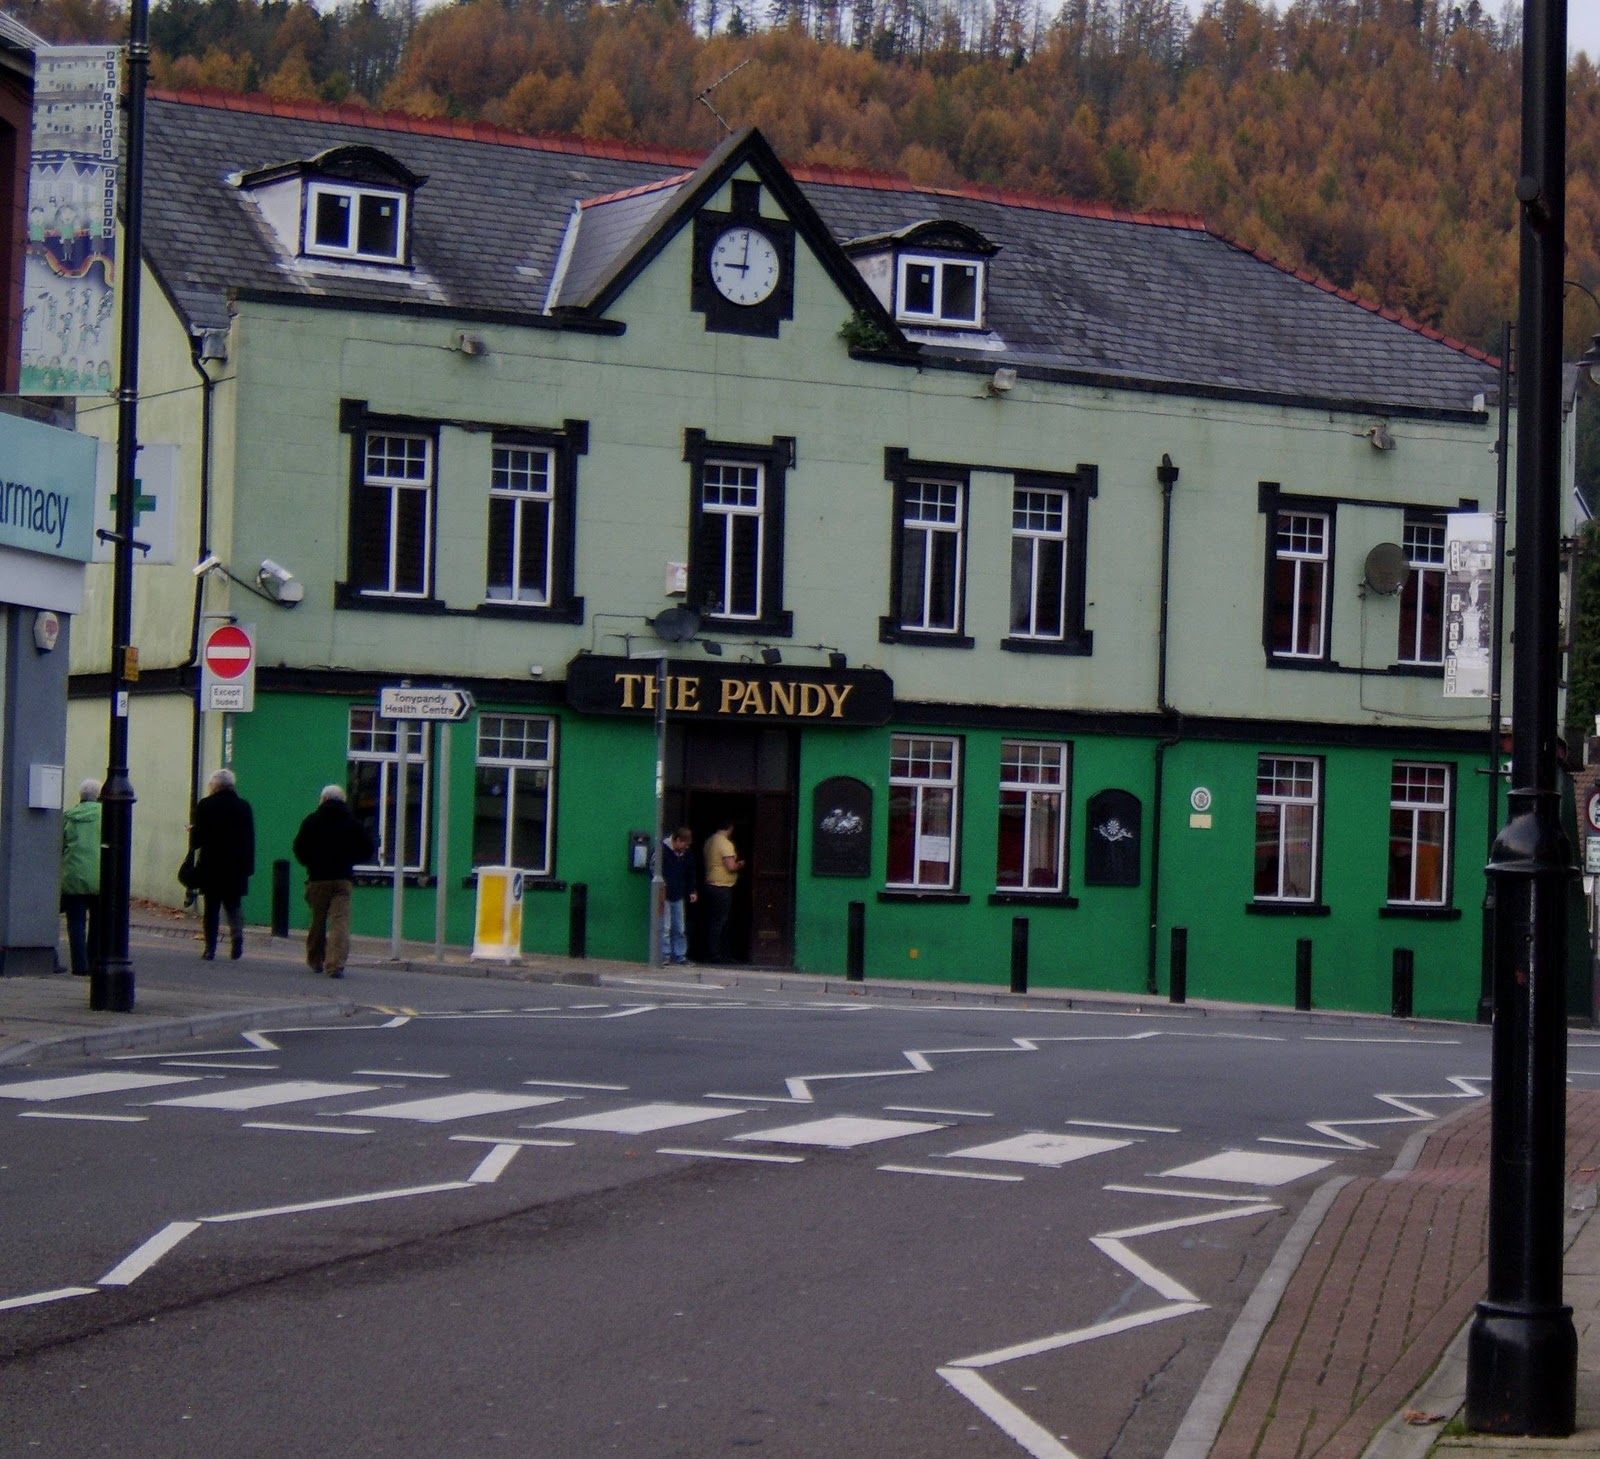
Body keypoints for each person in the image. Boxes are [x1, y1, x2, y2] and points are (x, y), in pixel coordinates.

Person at [293, 784, 374, 979]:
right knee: (340, 922)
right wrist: (350, 860)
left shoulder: (312, 821)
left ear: (323, 800)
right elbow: (367, 849)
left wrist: (310, 863)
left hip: (318, 878)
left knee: (318, 920)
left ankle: (315, 959)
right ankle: (335, 964)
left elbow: (299, 848)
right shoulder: (352, 823)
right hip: (342, 879)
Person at [189, 768, 256, 961]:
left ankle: (210, 948)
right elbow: (249, 839)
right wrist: (248, 867)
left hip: (212, 864)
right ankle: (237, 941)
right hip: (236, 866)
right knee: (234, 905)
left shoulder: (206, 805)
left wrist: (193, 835)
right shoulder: (244, 807)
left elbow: (198, 839)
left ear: (215, 786)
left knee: (211, 908)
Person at [59, 779, 101, 976]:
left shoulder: (69, 816)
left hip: (73, 875)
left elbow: (60, 845)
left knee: (75, 923)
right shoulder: (107, 815)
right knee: (98, 921)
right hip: (100, 877)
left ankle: (79, 965)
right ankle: (94, 961)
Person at [702, 817, 745, 964]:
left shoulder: (709, 841)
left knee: (712, 920)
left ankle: (710, 951)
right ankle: (717, 954)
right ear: (730, 828)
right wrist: (740, 864)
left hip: (710, 883)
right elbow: (730, 866)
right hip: (722, 886)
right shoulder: (725, 844)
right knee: (721, 921)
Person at [657, 826, 698, 965]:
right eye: (684, 845)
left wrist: (692, 890)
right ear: (678, 840)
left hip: (678, 893)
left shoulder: (685, 853)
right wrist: (661, 886)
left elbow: (691, 871)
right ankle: (664, 955)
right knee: (665, 927)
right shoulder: (661, 850)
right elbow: (652, 868)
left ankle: (680, 955)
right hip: (664, 894)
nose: (685, 848)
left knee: (679, 928)